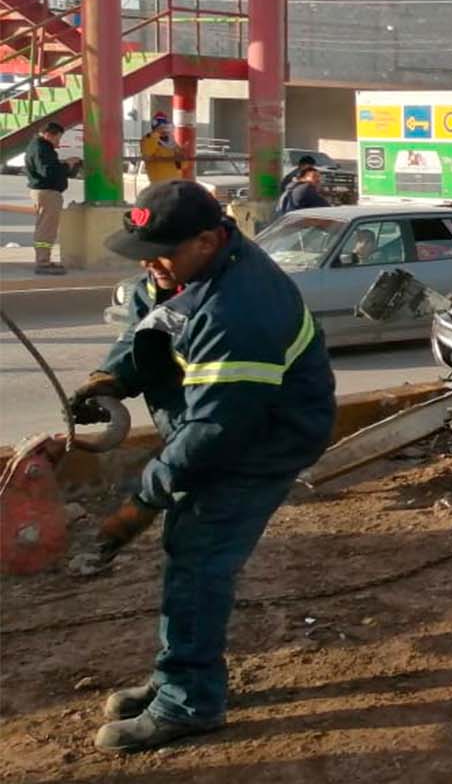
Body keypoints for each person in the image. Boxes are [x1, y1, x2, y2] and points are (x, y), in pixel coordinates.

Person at [64, 180, 336, 754]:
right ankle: (177, 678)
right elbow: (150, 318)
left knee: (198, 560)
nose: (151, 265)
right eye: (144, 252)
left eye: (161, 252)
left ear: (211, 239)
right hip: (218, 426)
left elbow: (216, 430)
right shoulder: (180, 269)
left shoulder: (241, 308)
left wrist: (143, 501)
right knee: (188, 555)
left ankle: (189, 702)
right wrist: (112, 377)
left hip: (260, 442)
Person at [25, 120, 82, 275]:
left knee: (44, 227)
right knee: (46, 229)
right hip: (47, 193)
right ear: (48, 135)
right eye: (57, 138)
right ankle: (43, 262)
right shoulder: (41, 148)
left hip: (44, 192)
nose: (58, 142)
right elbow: (48, 171)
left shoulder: (39, 147)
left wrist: (63, 164)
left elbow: (48, 167)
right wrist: (67, 165)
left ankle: (44, 260)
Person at [140, 113, 183, 185]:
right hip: (159, 184)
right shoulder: (148, 139)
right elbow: (147, 153)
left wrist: (181, 155)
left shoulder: (171, 141)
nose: (165, 130)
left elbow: (183, 165)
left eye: (167, 127)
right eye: (163, 127)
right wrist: (156, 135)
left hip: (175, 183)